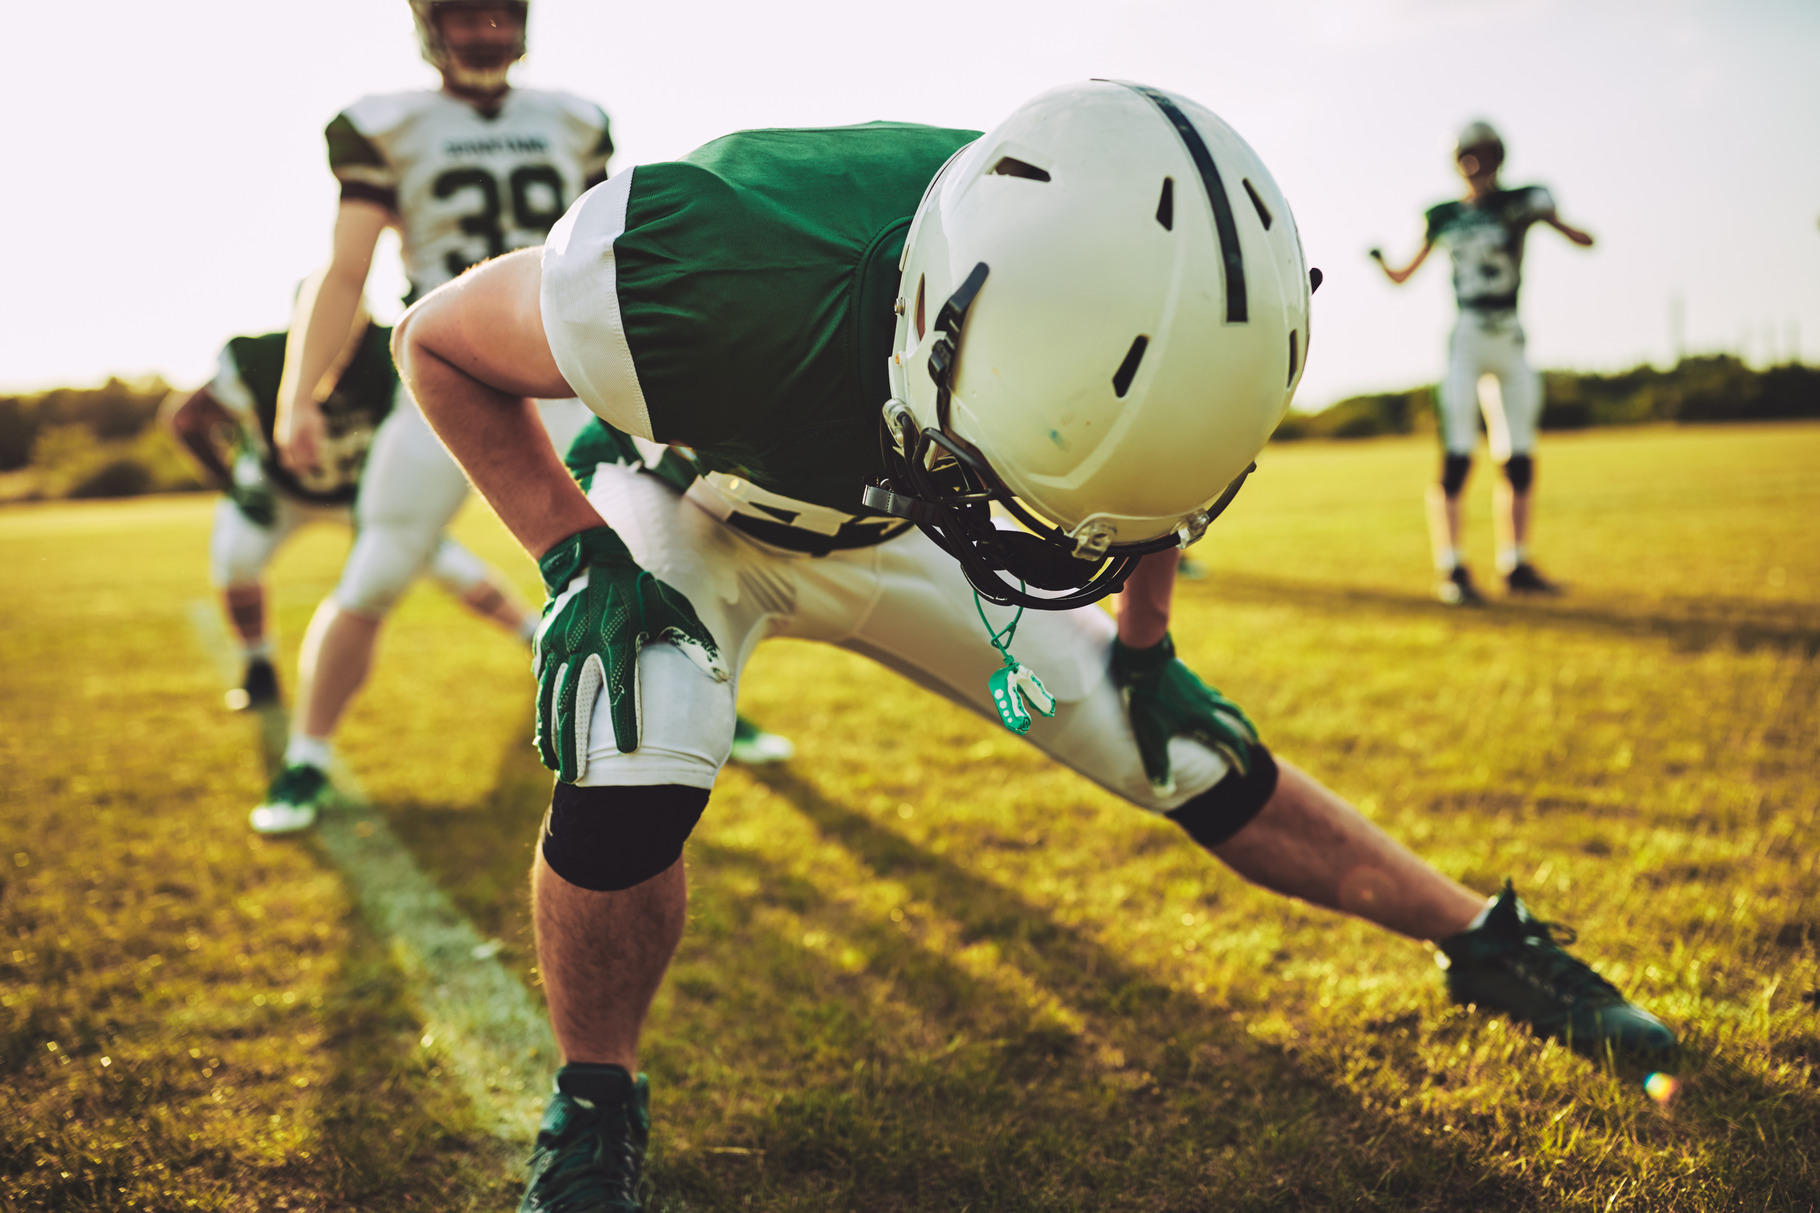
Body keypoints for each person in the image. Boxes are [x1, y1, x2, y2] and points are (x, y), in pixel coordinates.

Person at [393, 82, 1674, 1211]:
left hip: (911, 510)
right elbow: (436, 342)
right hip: (688, 499)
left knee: (1173, 746)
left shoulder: (1142, 279)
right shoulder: (690, 261)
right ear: (941, 328)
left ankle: (1480, 939)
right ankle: (596, 1097)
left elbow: (1157, 473)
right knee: (643, 721)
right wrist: (573, 553)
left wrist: (1148, 640)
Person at [254, 0, 792, 834]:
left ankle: (704, 710)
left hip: (575, 363)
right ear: (431, 26)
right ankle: (308, 754)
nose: (479, 32)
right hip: (450, 370)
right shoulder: (383, 123)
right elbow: (345, 269)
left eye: (493, 14)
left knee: (666, 556)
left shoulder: (575, 119)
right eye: (462, 16)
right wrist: (300, 393)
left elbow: (615, 244)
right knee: (380, 568)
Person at [164, 310, 539, 715]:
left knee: (445, 563)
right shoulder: (262, 359)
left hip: (361, 492)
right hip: (281, 489)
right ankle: (258, 667)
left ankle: (535, 635)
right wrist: (230, 482)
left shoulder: (394, 350)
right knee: (236, 557)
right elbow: (185, 418)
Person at [1372, 120, 1594, 605]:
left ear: (1498, 159)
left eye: (1484, 156)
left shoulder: (1523, 202)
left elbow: (1584, 239)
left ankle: (1516, 562)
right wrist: (1380, 261)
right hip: (1468, 334)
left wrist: (1549, 219)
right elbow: (1402, 275)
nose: (1475, 167)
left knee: (1518, 458)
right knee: (1456, 455)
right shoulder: (1443, 214)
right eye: (1467, 157)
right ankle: (1452, 568)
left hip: (1510, 334)